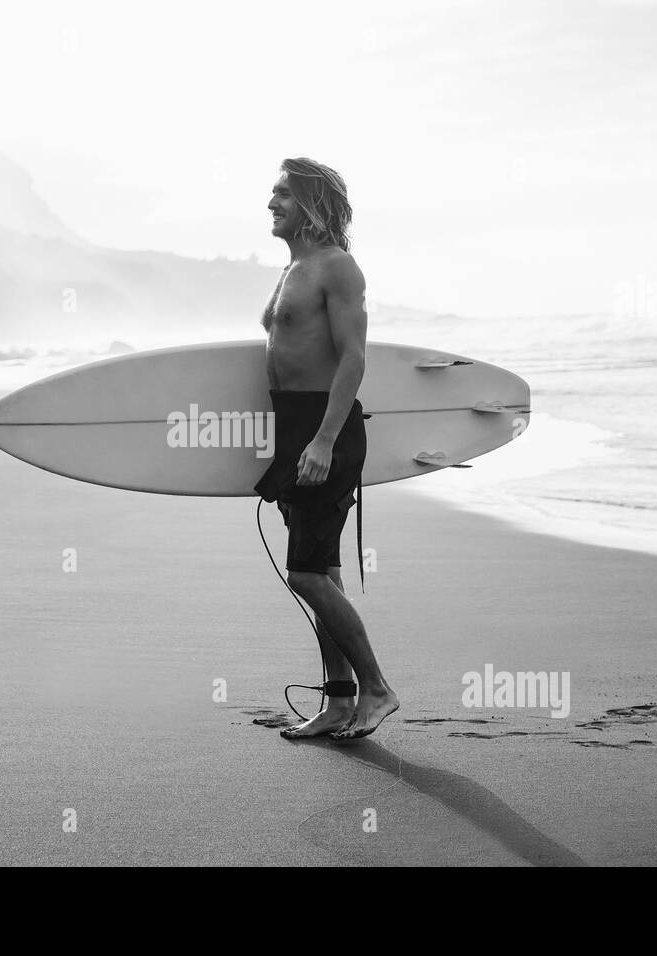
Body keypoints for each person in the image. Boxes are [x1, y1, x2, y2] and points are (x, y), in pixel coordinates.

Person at [254, 157, 399, 740]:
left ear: (312, 203)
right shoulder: (294, 268)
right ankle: (340, 700)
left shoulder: (338, 268)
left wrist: (322, 439)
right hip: (296, 431)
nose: (271, 202)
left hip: (324, 431)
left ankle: (378, 688)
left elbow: (354, 358)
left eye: (284, 193)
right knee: (324, 572)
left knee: (306, 575)